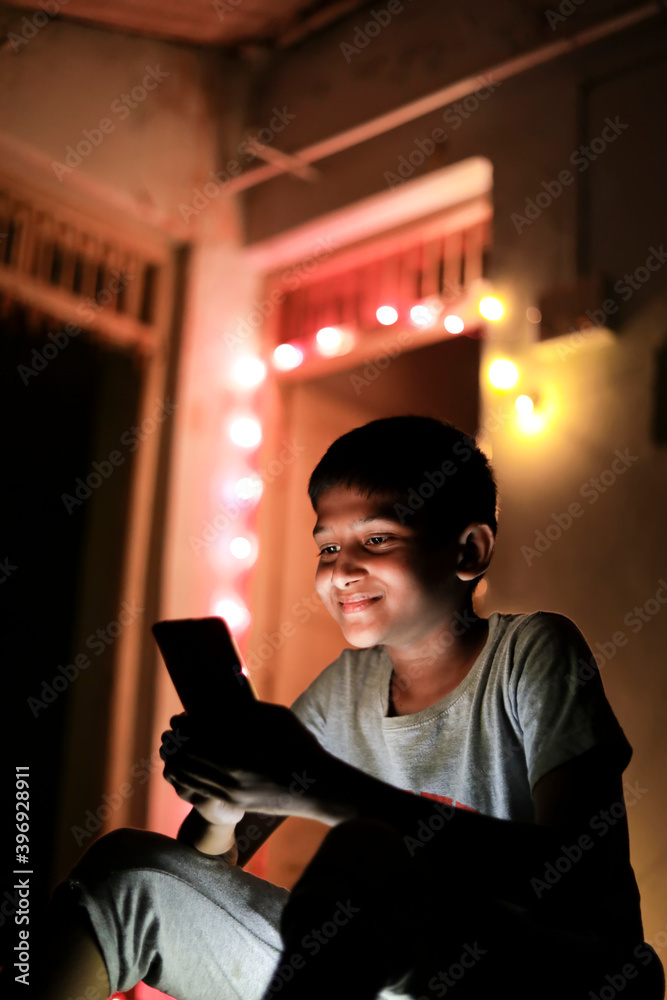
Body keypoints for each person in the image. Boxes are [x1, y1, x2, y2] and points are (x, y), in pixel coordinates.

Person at [37, 415, 664, 1000]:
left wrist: (318, 789)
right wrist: (223, 800)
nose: (342, 571)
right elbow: (210, 865)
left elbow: (569, 872)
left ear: (468, 551)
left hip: (561, 975)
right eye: (328, 548)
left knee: (366, 859)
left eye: (378, 537)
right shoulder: (348, 686)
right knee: (133, 872)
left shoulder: (531, 653)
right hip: (403, 972)